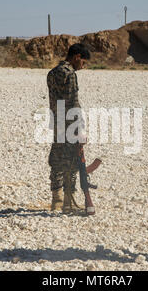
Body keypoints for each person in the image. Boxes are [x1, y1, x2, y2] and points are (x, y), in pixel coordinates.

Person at [47, 43, 90, 213]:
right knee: (71, 161)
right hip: (70, 124)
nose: (83, 66)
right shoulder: (69, 74)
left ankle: (56, 199)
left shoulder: (52, 73)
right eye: (83, 62)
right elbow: (73, 103)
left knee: (56, 159)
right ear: (77, 57)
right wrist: (80, 128)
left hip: (56, 121)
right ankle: (68, 201)